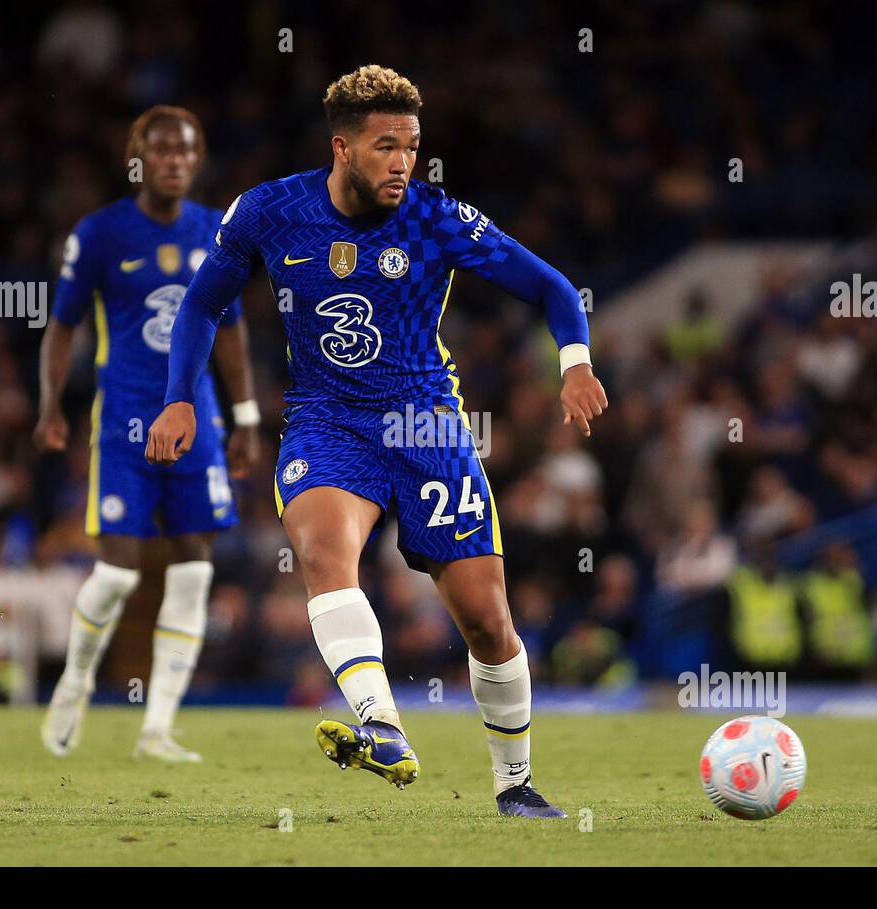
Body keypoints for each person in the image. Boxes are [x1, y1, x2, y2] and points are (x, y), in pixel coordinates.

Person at [147, 66, 608, 817]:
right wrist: (179, 402)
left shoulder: (439, 217)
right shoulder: (269, 211)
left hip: (426, 424)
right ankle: (383, 725)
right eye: (386, 146)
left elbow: (554, 288)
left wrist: (576, 363)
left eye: (413, 146)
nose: (403, 162)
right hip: (327, 422)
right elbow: (200, 307)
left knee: (488, 622)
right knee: (327, 554)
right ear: (342, 148)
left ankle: (515, 785)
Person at [35, 105, 258, 762]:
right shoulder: (100, 234)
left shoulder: (217, 231)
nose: (174, 162)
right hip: (126, 421)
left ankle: (157, 728)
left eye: (186, 151)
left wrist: (245, 417)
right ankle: (75, 680)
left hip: (199, 422)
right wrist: (51, 405)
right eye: (162, 151)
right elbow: (63, 325)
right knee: (118, 572)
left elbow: (235, 328)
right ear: (138, 158)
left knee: (194, 568)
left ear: (198, 158)